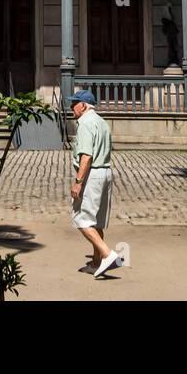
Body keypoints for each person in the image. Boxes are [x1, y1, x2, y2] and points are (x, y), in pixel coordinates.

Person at [67, 90, 124, 278]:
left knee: (81, 219)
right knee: (97, 221)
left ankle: (107, 255)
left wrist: (78, 182)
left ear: (83, 106)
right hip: (106, 172)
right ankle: (96, 262)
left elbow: (86, 156)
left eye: (74, 103)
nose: (71, 107)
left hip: (92, 175)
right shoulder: (101, 122)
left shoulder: (85, 123)